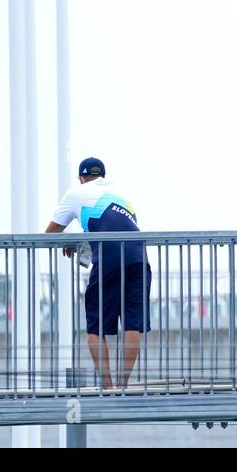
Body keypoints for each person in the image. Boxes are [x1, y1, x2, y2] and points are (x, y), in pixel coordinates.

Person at [44, 157, 151, 389]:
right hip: (139, 254)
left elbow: (50, 233)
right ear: (103, 175)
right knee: (133, 324)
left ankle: (108, 385)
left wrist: (71, 241)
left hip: (109, 254)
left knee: (96, 325)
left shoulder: (75, 193)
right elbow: (115, 224)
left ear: (81, 178)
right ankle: (124, 385)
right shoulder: (122, 193)